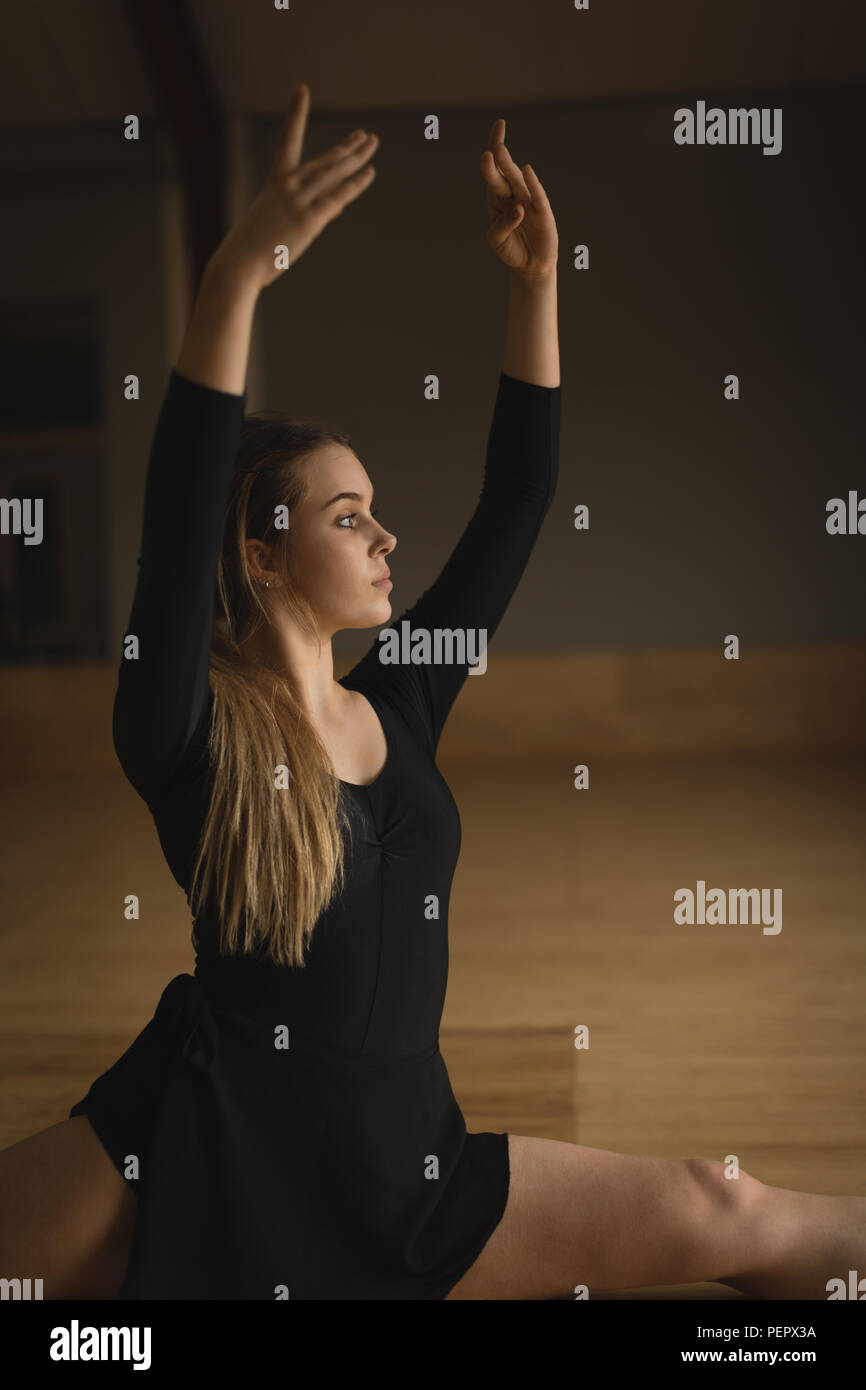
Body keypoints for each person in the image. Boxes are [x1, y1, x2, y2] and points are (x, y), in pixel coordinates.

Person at [1, 83, 863, 1300]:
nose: (383, 536)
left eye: (374, 509)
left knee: (719, 1202)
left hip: (408, 1180)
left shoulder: (399, 697)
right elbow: (177, 510)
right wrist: (232, 285)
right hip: (200, 1151)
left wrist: (533, 287)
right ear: (256, 551)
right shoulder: (184, 733)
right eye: (345, 516)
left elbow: (515, 502)